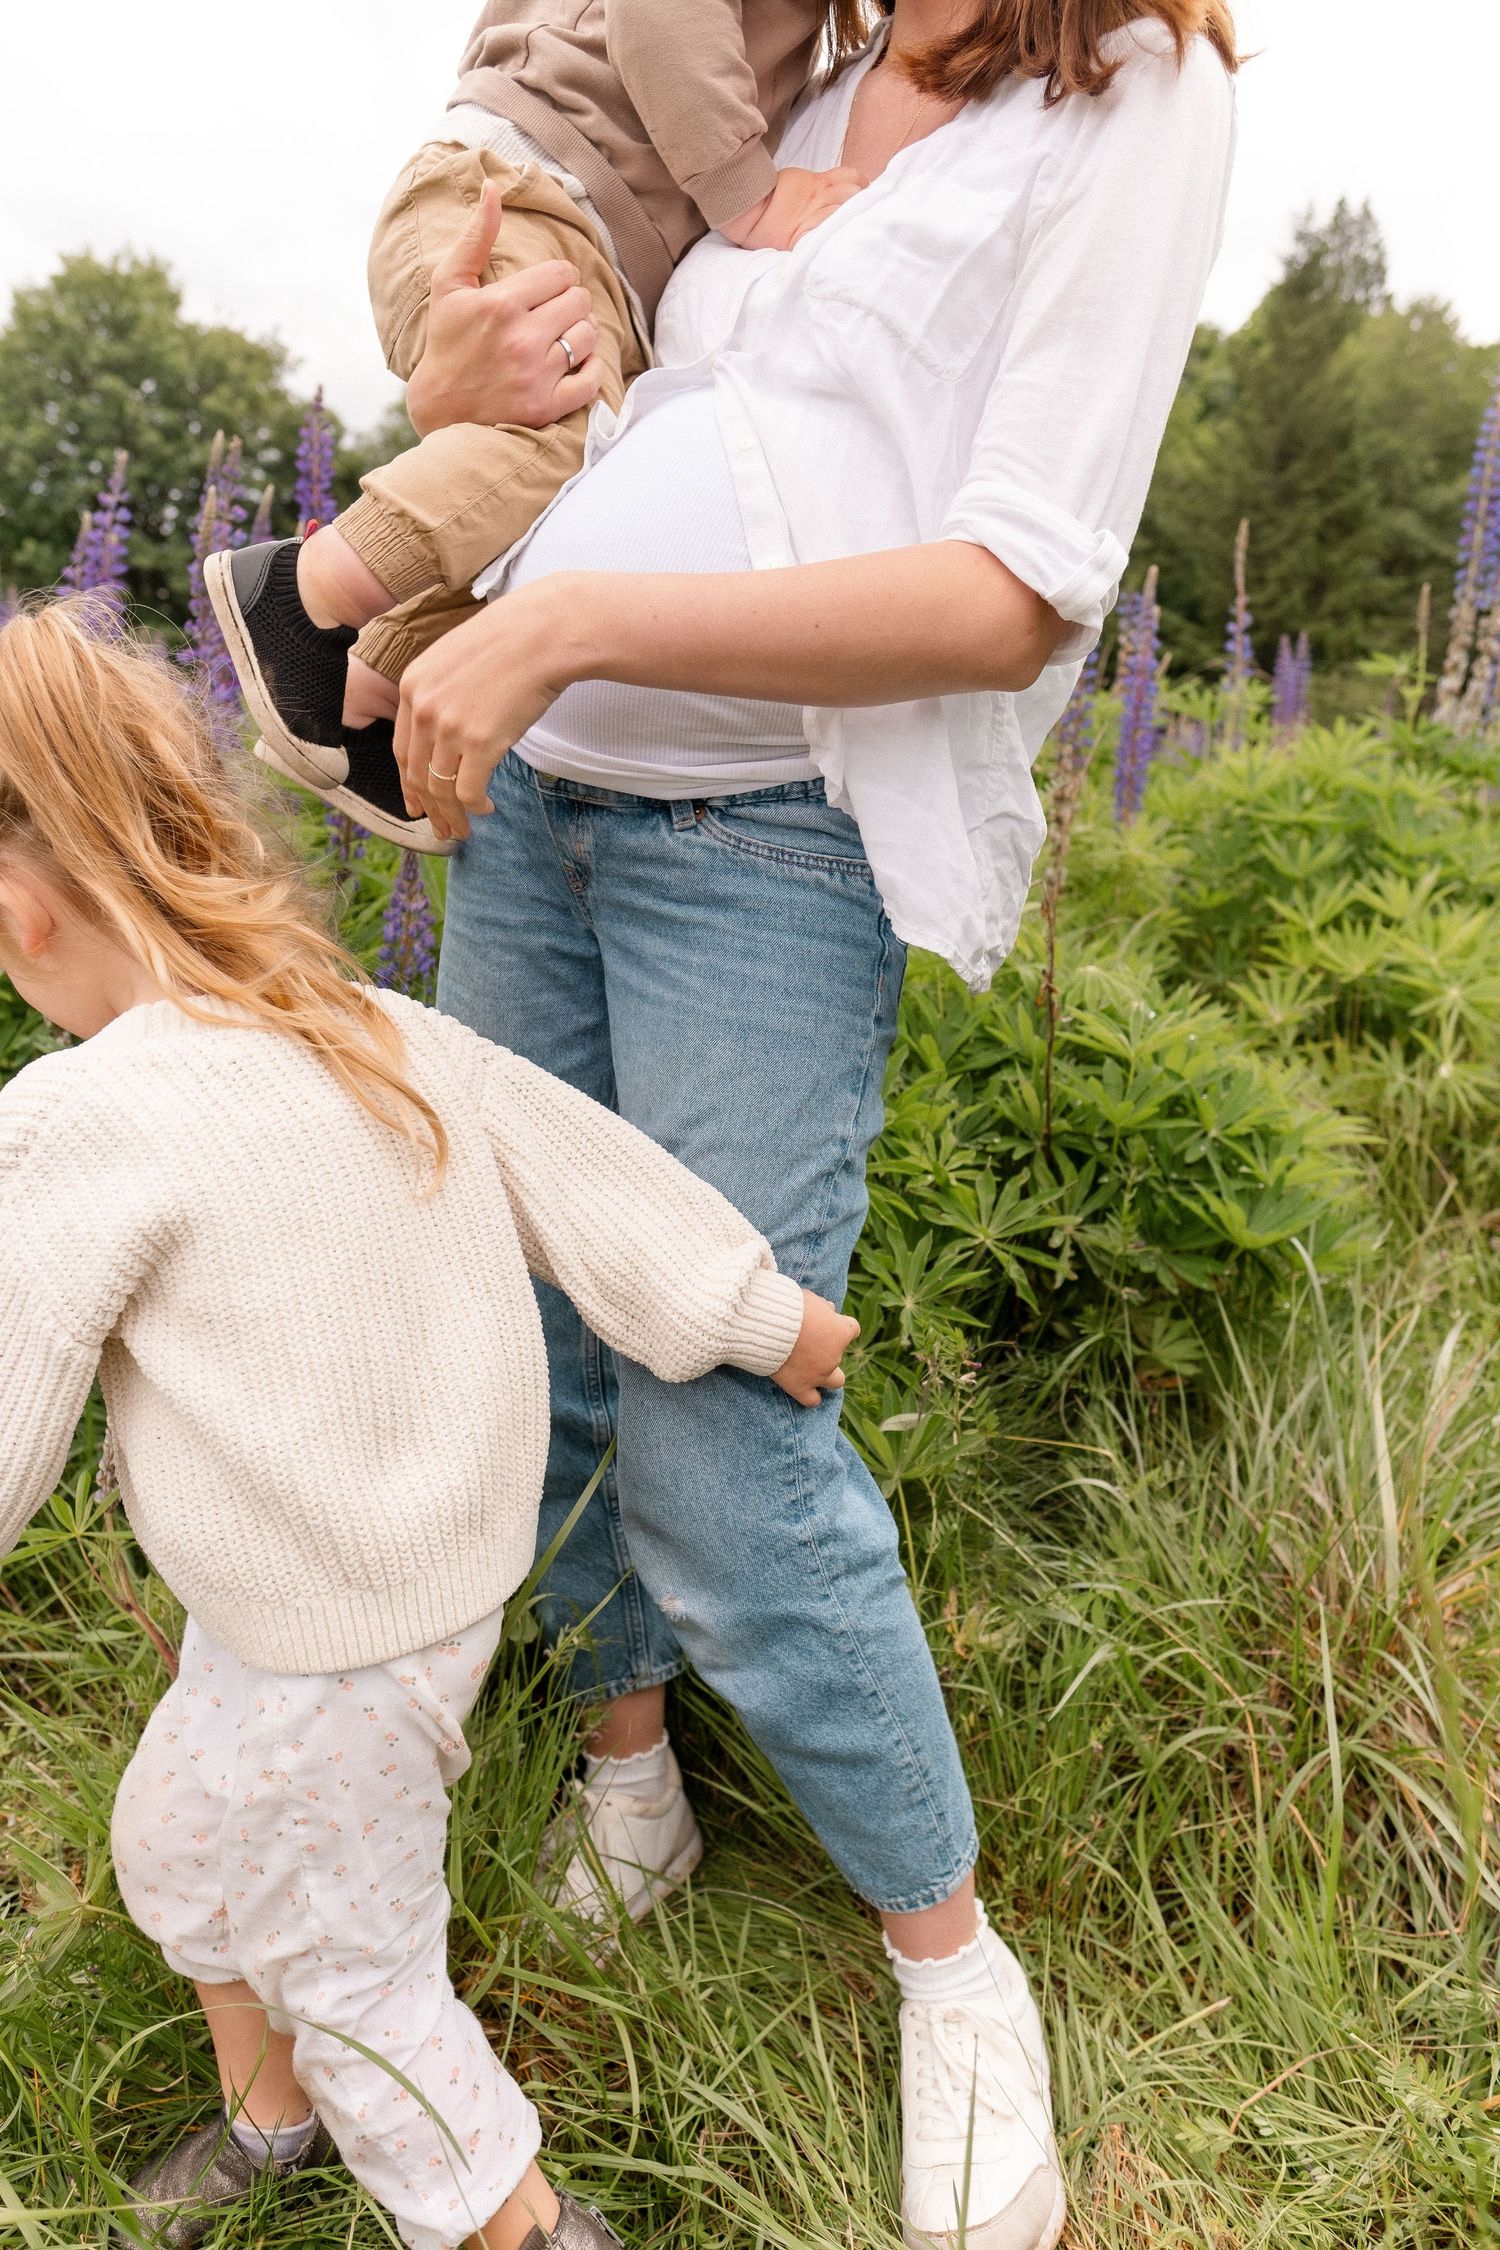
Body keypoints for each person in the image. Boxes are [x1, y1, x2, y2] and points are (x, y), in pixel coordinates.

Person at [358, 3, 1240, 2246]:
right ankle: (630, 1780)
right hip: (537, 811)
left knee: (725, 1410)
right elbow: (617, 397)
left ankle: (951, 1967)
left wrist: (564, 628)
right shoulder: (796, 74)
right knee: (536, 1348)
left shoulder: (1134, 99)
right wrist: (471, 401)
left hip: (766, 839)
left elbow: (1016, 590)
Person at [0, 597, 858, 2250]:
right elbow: (606, 1194)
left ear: (24, 911)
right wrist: (770, 1318)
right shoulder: (366, 1026)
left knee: (355, 1970)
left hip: (339, 1635)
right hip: (382, 1600)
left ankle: (515, 2223)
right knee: (177, 1838)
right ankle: (279, 2119)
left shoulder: (78, 1120)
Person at [204, 0, 867, 852]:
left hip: (527, 197)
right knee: (557, 435)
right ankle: (306, 592)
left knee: (581, 485)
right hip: (531, 197)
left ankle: (370, 677)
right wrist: (755, 195)